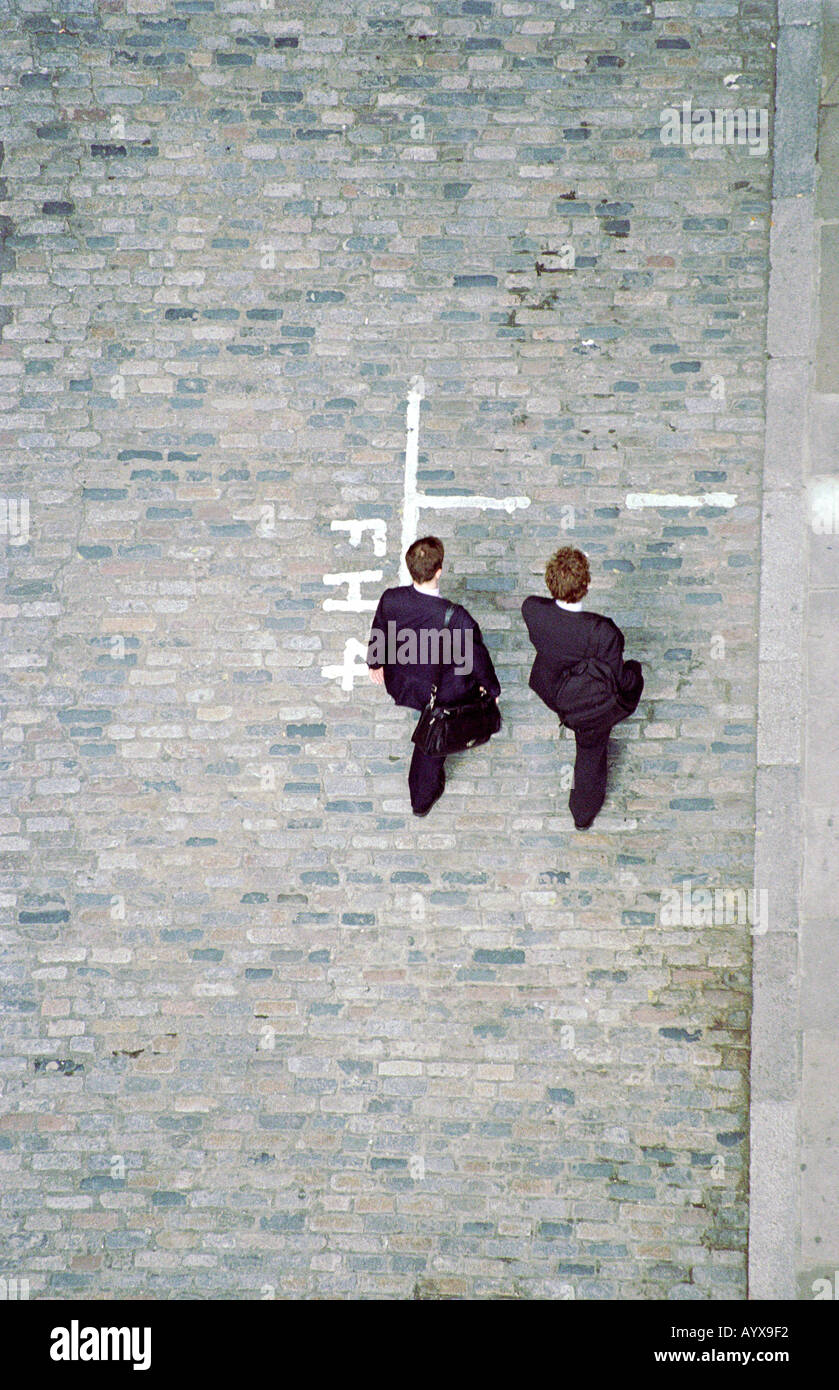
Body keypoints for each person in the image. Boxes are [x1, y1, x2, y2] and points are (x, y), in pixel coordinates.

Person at [367, 536, 501, 817]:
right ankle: (422, 798)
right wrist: (491, 689)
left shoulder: (391, 599)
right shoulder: (457, 618)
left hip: (403, 681)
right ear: (438, 571)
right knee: (432, 745)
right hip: (441, 691)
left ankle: (422, 797)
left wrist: (375, 662)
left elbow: (380, 629)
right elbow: (477, 659)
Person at [521, 546, 644, 830]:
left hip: (552, 689)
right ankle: (582, 813)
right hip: (587, 701)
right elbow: (611, 679)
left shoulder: (532, 609)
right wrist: (634, 674)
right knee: (590, 751)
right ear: (586, 587)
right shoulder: (603, 631)